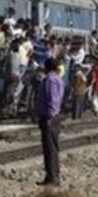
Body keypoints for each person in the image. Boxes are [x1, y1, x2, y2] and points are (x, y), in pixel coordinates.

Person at [35, 58, 64, 186]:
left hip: (50, 117)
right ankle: (51, 176)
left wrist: (50, 117)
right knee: (50, 147)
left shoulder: (50, 80)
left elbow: (53, 99)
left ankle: (53, 178)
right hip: (53, 116)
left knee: (50, 148)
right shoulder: (57, 78)